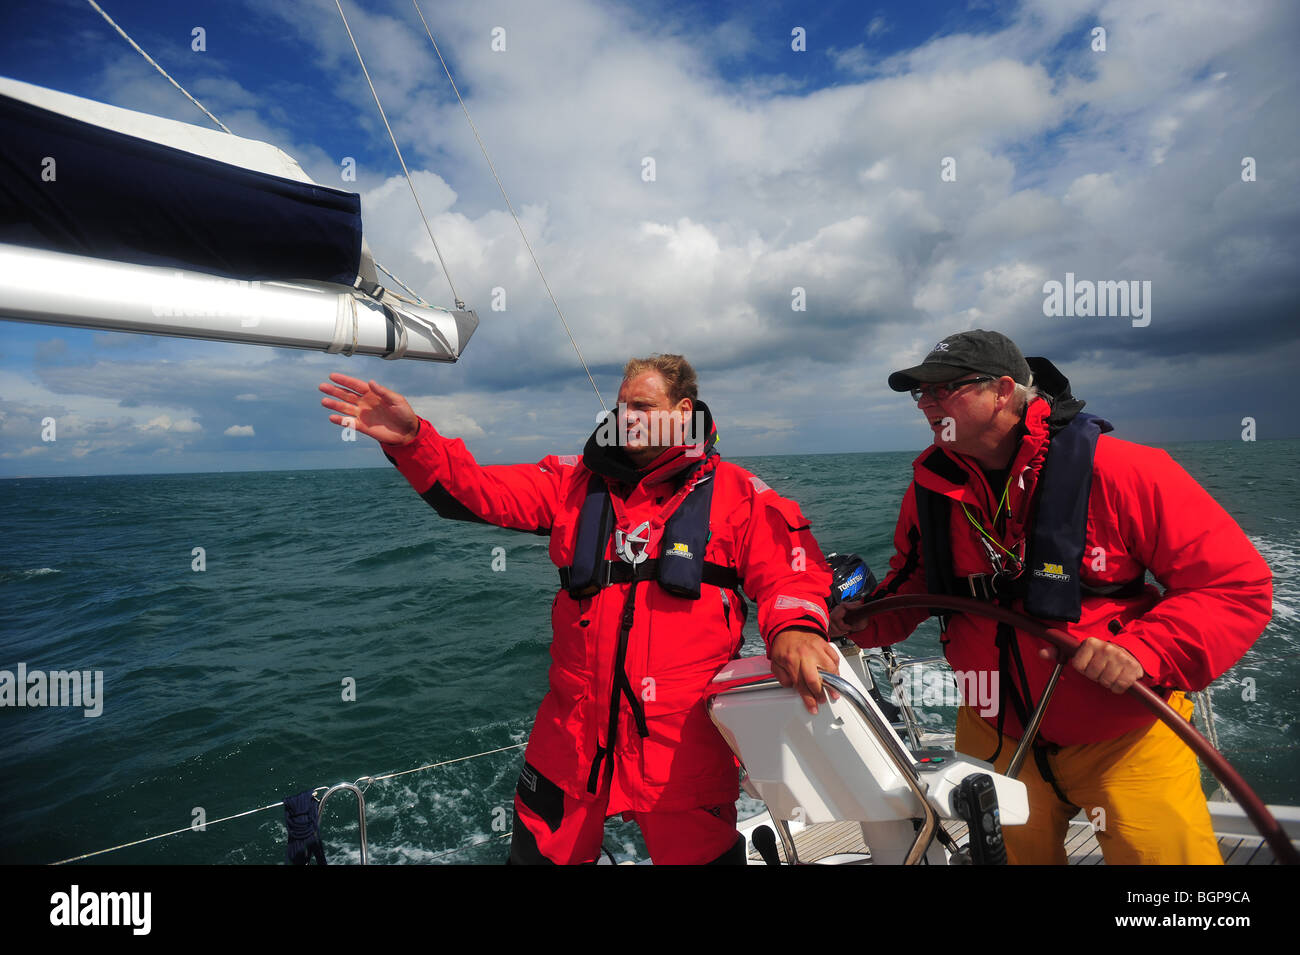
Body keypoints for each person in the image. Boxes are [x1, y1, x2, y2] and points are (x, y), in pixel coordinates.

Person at [319, 355, 838, 864]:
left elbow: (790, 572)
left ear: (684, 411)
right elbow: (478, 492)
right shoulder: (571, 484)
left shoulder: (738, 495)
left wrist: (793, 628)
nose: (626, 416)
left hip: (682, 747)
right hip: (568, 741)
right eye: (621, 406)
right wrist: (415, 441)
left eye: (643, 405)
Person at [832, 329, 1272, 864]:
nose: (926, 404)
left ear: (1002, 390)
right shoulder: (932, 488)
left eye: (943, 389)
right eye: (919, 393)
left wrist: (1145, 650)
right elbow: (916, 581)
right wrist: (862, 621)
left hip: (1123, 737)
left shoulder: (1126, 470)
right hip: (995, 734)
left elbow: (1233, 585)